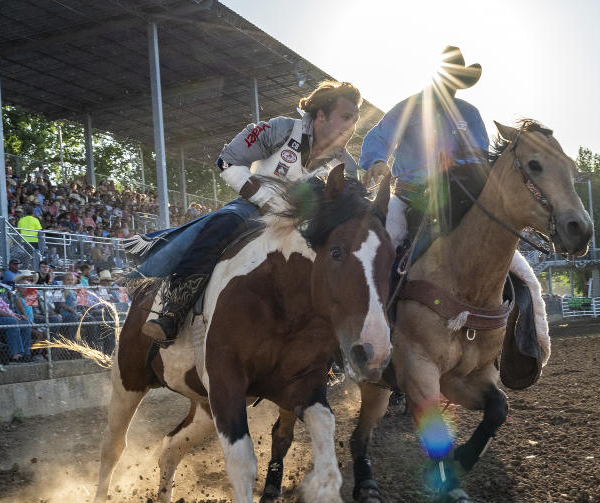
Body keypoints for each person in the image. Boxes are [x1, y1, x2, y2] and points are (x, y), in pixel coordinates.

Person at [140, 79, 363, 342]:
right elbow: (227, 160)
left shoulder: (348, 166)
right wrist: (265, 198)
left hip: (308, 227)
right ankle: (173, 310)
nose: (352, 126)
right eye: (346, 117)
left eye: (355, 120)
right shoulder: (279, 129)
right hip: (252, 209)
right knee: (221, 224)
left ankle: (343, 341)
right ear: (322, 115)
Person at [360, 46, 488, 246]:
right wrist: (378, 160)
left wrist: (457, 164)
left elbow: (480, 156)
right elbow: (380, 136)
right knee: (388, 241)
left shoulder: (470, 114)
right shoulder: (409, 107)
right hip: (407, 197)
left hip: (456, 200)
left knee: (497, 248)